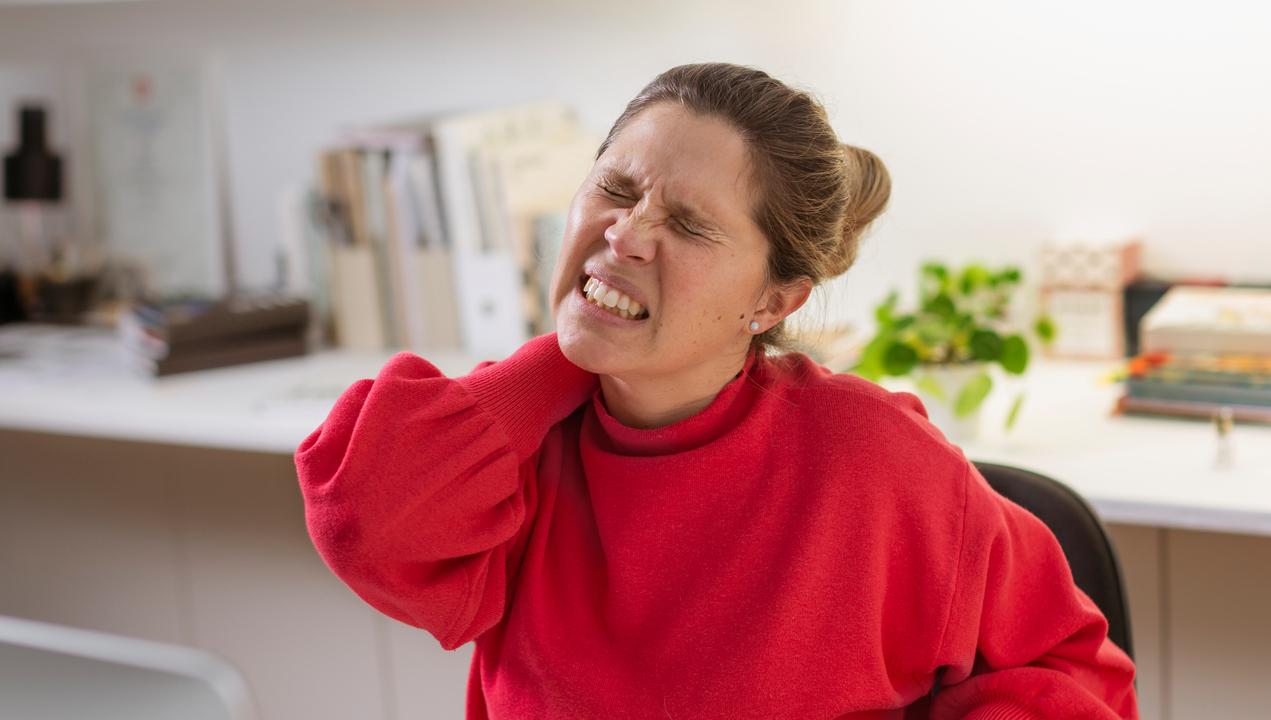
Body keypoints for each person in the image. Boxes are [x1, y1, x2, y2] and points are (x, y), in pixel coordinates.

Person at [297, 63, 1138, 719]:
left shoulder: (875, 461)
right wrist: (578, 343)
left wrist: (611, 318)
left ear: (773, 302)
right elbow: (366, 519)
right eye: (614, 190)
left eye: (690, 225)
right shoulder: (514, 450)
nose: (624, 233)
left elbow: (1069, 671)